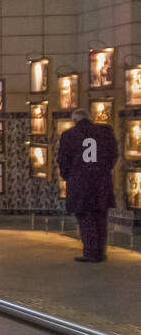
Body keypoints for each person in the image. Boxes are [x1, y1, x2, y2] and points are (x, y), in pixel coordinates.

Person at [57, 107, 119, 262]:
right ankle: (100, 252)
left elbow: (63, 160)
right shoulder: (105, 131)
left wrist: (68, 176)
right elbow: (113, 155)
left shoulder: (68, 135)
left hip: (80, 182)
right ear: (90, 118)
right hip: (101, 181)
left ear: (74, 121)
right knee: (100, 216)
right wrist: (104, 170)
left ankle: (90, 252)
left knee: (85, 218)